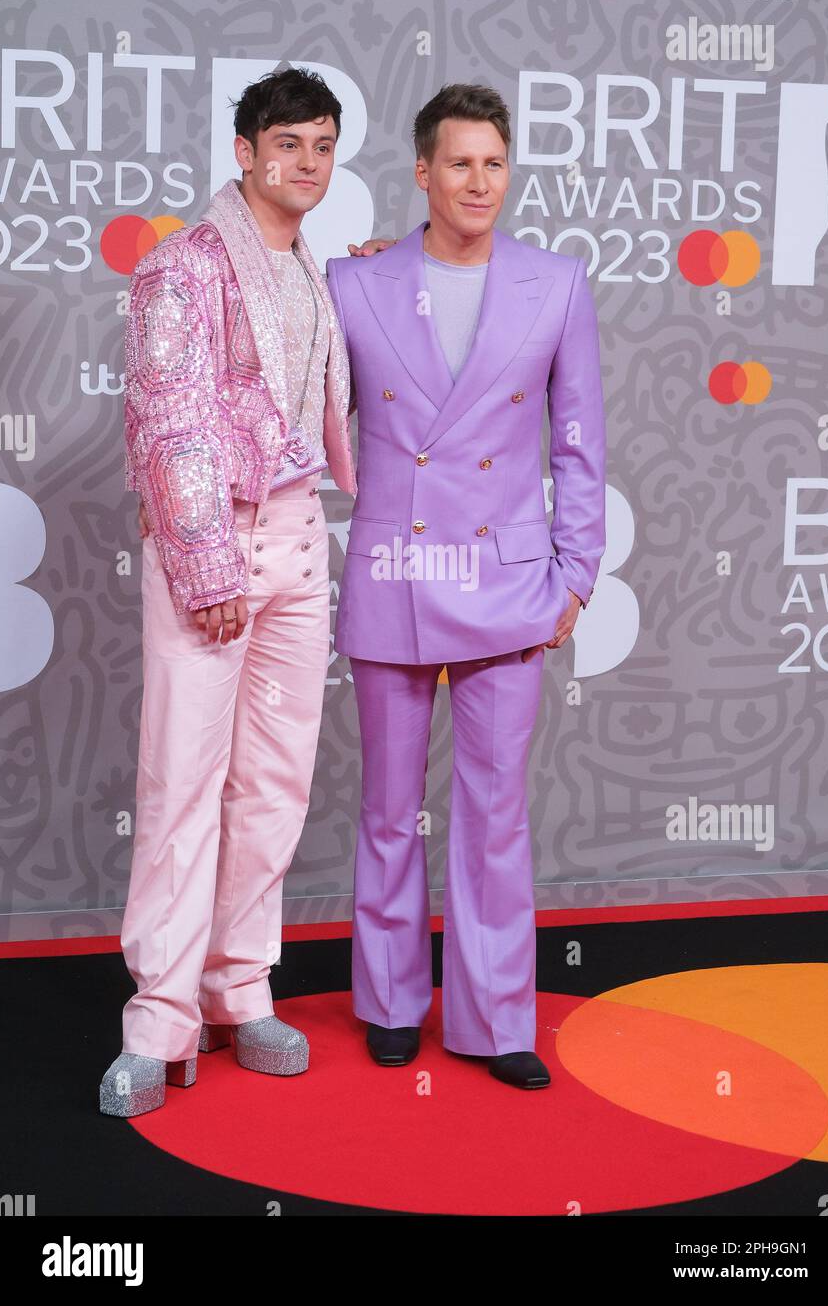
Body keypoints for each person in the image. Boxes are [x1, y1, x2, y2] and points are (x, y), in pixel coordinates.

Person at [326, 82, 606, 1090]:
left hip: (506, 579)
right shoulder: (352, 285)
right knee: (390, 807)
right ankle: (393, 999)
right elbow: (305, 409)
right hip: (395, 573)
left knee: (494, 811)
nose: (477, 181)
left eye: (493, 163)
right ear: (421, 173)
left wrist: (575, 570)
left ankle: (495, 1016)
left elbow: (577, 440)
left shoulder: (556, 283)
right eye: (458, 163)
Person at [100, 67, 358, 1116]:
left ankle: (237, 987)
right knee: (180, 786)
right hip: (213, 551)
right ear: (245, 149)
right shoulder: (183, 267)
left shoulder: (310, 269)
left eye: (324, 146)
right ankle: (155, 1021)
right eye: (289, 143)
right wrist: (206, 566)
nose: (307, 163)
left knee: (274, 785)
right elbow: (174, 420)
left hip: (299, 542)